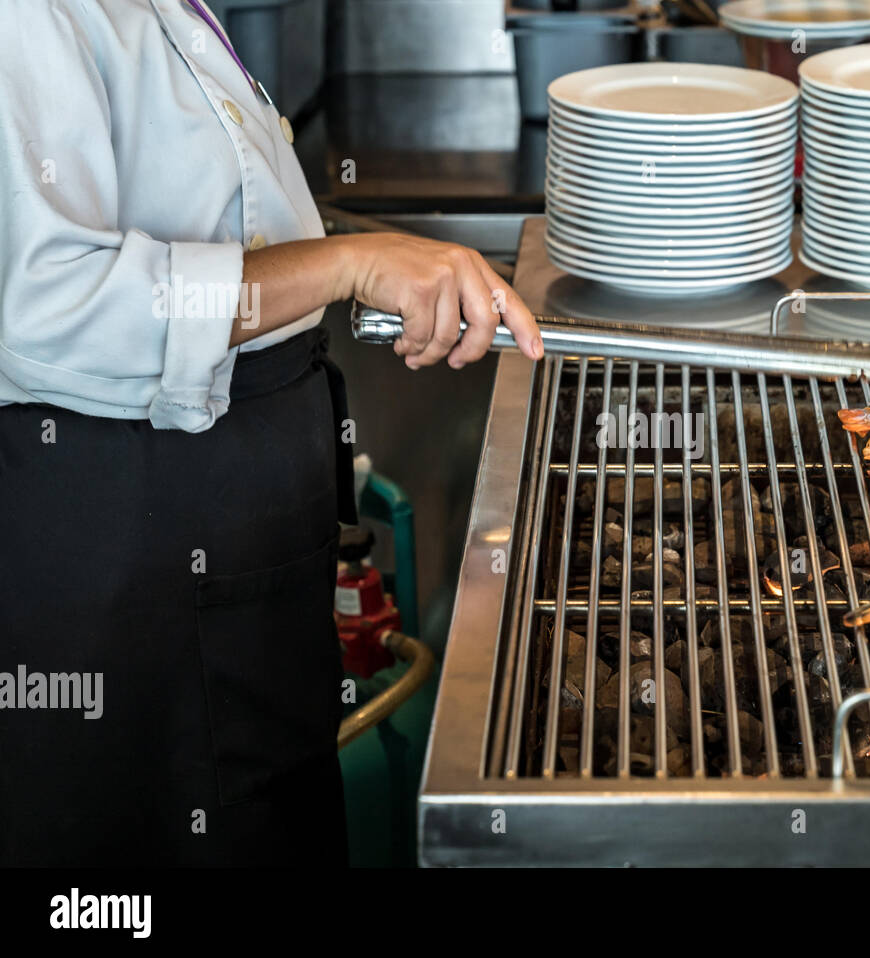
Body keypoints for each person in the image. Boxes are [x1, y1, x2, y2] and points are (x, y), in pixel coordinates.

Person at [0, 0, 542, 866]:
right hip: (136, 565)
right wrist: (349, 265)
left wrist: (384, 263)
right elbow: (52, 312)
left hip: (239, 561)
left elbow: (224, 219)